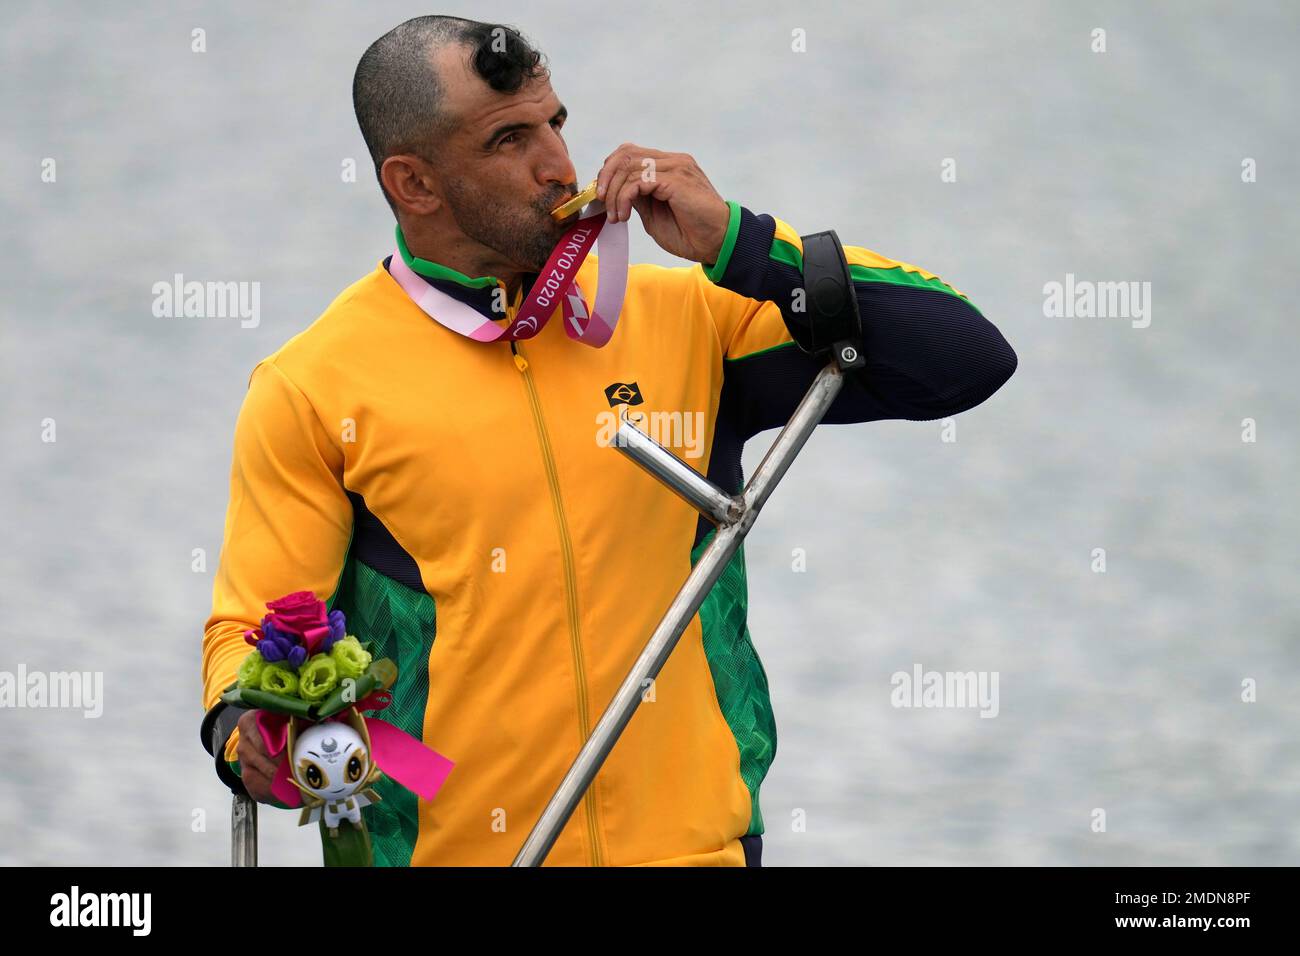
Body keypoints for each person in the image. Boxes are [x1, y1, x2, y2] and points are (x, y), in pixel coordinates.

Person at [199, 14, 1017, 867]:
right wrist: (248, 731)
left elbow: (967, 358)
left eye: (556, 123)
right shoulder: (311, 385)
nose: (558, 164)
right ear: (415, 184)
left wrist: (743, 245)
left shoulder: (689, 320)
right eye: (510, 139)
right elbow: (246, 640)